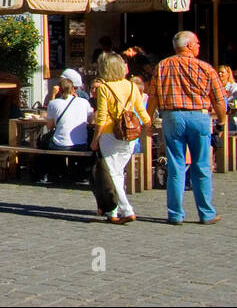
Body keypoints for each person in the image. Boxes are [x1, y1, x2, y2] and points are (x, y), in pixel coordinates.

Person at [149, 31, 227, 224]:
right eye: (198, 43)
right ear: (190, 45)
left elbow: (153, 97)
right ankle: (206, 213)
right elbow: (219, 100)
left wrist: (148, 120)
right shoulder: (205, 68)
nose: (199, 46)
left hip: (172, 116)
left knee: (176, 165)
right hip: (198, 116)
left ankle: (175, 214)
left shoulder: (162, 66)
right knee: (201, 165)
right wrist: (222, 120)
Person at [90, 51, 151, 224]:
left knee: (111, 173)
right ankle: (113, 212)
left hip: (110, 133)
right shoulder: (131, 85)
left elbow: (101, 117)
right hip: (130, 133)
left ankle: (126, 209)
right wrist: (148, 125)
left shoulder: (104, 88)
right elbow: (141, 110)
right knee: (118, 173)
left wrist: (95, 138)